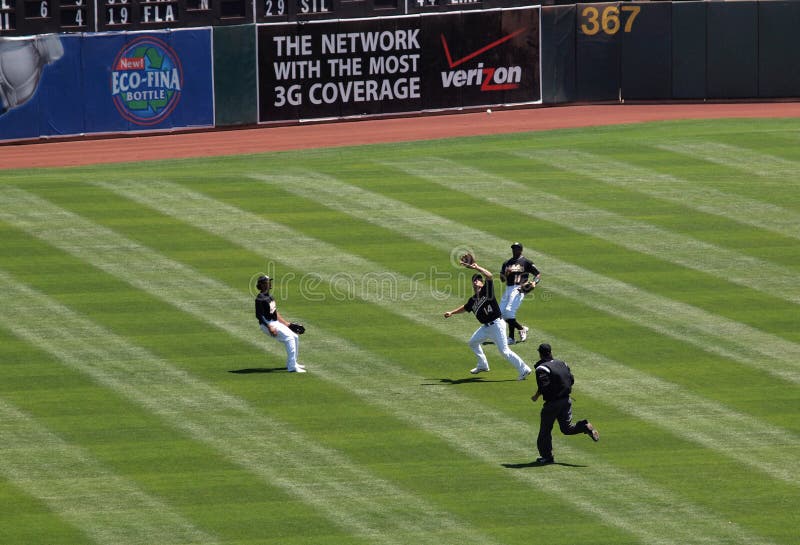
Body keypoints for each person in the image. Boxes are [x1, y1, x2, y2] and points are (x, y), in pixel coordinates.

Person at [443, 259, 532, 380]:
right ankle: (483, 365)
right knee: (473, 343)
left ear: (481, 282)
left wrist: (477, 267)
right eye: (474, 280)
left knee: (505, 351)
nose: (475, 282)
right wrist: (451, 312)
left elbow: (489, 276)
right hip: (485, 328)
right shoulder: (473, 299)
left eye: (478, 280)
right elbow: (465, 307)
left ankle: (524, 369)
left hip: (497, 325)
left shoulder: (487, 290)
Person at [531, 343, 598, 464]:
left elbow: (544, 387)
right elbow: (571, 379)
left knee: (545, 431)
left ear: (540, 354)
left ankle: (547, 457)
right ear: (550, 352)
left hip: (552, 404)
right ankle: (584, 426)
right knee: (567, 428)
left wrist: (536, 396)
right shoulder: (562, 363)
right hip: (566, 401)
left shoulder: (542, 369)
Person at [254, 275, 306, 373]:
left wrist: (288, 324)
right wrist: (269, 327)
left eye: (269, 281)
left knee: (294, 336)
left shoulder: (270, 297)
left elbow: (275, 313)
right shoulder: (260, 298)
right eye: (267, 282)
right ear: (262, 285)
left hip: (275, 322)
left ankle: (293, 362)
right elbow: (259, 316)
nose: (270, 283)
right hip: (268, 324)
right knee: (289, 338)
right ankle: (292, 367)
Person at [499, 242, 540, 344]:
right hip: (508, 288)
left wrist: (534, 282)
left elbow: (538, 274)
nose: (514, 250)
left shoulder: (526, 262)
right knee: (500, 314)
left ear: (521, 250)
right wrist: (505, 274)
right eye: (513, 248)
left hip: (519, 288)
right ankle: (518, 331)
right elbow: (502, 280)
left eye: (517, 248)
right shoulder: (506, 263)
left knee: (509, 311)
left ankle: (513, 336)